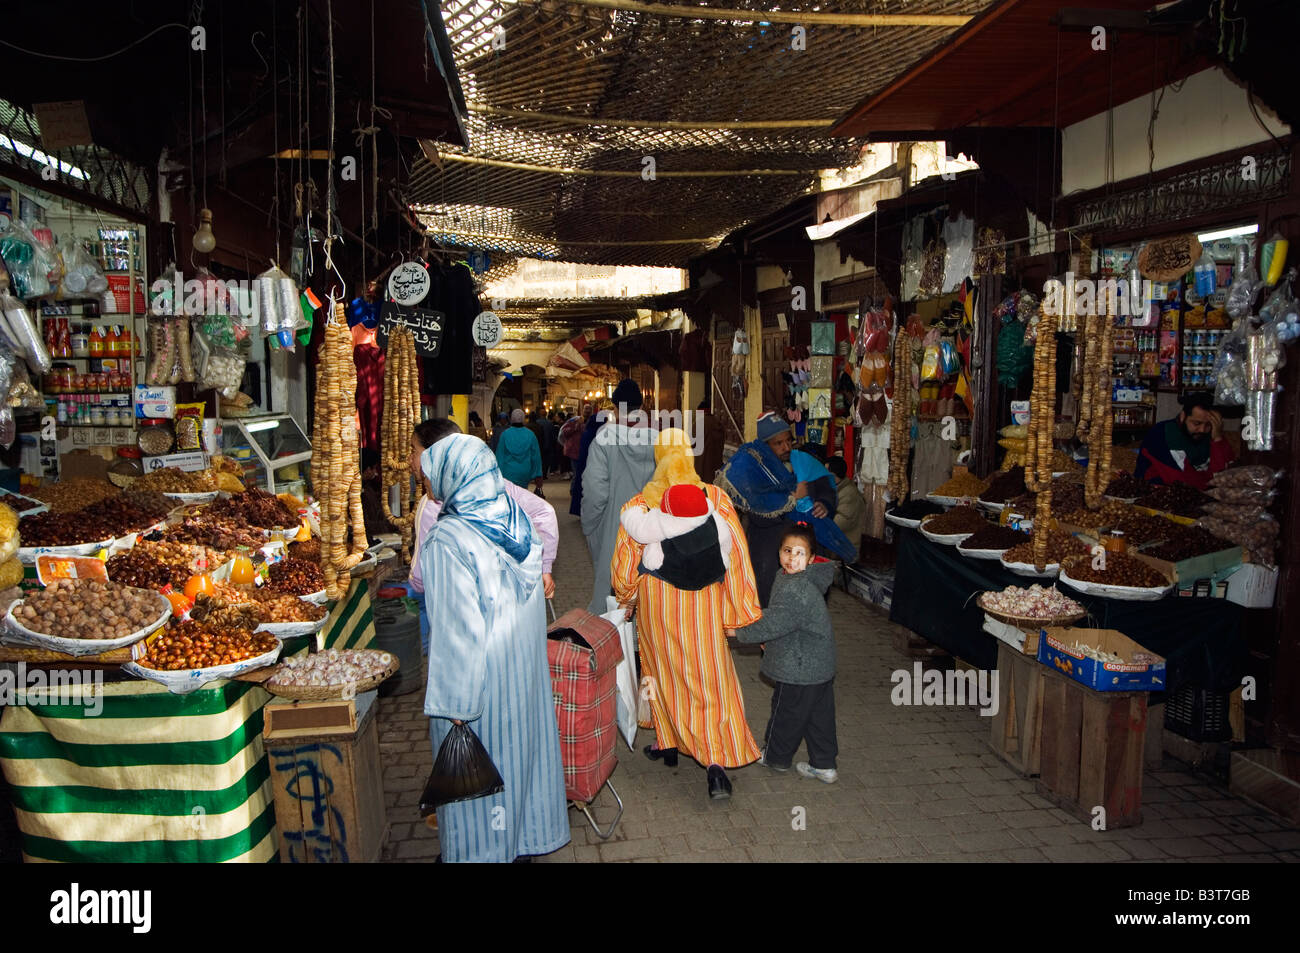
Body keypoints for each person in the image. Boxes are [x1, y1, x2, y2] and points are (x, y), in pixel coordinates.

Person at [416, 433, 569, 862]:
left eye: (431, 474)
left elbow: (458, 634)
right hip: (521, 679)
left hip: (479, 695)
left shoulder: (451, 540)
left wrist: (455, 711)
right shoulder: (514, 521)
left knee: (478, 800)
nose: (426, 483)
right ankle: (518, 846)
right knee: (518, 774)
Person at [611, 428, 763, 800]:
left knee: (661, 671)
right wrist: (737, 611)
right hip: (705, 604)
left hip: (658, 604)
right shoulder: (716, 498)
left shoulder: (641, 503)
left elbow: (626, 561)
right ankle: (712, 762)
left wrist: (627, 599)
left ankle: (669, 742)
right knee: (709, 677)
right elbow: (737, 556)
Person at [409, 420, 559, 627]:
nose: (410, 459)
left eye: (414, 451)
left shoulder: (433, 507)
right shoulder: (495, 486)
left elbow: (422, 578)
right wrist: (543, 566)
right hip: (506, 610)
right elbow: (545, 511)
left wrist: (414, 583)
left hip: (461, 617)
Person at [733, 523, 839, 783]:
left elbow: (776, 620)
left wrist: (738, 631)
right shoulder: (792, 577)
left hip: (800, 666)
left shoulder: (797, 588)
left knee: (786, 711)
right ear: (778, 552)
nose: (792, 558)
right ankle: (824, 764)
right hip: (818, 664)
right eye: (787, 550)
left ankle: (775, 757)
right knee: (818, 715)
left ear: (812, 558)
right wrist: (771, 637)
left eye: (800, 553)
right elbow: (786, 619)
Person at [716, 411, 855, 606]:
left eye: (788, 441)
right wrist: (791, 499)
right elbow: (758, 514)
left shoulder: (803, 461)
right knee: (770, 598)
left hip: (807, 543)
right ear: (765, 445)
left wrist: (825, 504)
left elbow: (826, 488)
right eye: (778, 443)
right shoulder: (755, 469)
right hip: (769, 546)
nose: (786, 447)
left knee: (807, 599)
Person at [581, 380, 656, 613]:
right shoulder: (661, 441)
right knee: (648, 591)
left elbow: (595, 493)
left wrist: (591, 529)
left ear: (614, 408)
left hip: (615, 530)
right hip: (653, 531)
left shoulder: (604, 441)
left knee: (612, 598)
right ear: (641, 406)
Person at [1135, 392, 1234, 489]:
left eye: (1208, 425)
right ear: (1183, 417)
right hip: (1160, 494)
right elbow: (1184, 483)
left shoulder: (1213, 434)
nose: (1202, 430)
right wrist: (1214, 478)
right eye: (1196, 423)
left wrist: (1218, 439)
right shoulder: (1162, 434)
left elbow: (1230, 474)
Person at [570, 399, 611, 517]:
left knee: (581, 487)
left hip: (583, 464)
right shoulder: (598, 435)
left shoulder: (588, 432)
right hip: (592, 466)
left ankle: (579, 510)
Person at [826, 456, 866, 563]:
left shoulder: (849, 495)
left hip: (844, 550)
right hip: (835, 545)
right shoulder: (836, 489)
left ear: (833, 476)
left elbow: (836, 526)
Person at [495, 408, 543, 489]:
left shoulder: (505, 435)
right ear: (523, 419)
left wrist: (497, 474)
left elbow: (500, 456)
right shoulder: (530, 435)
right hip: (524, 473)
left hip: (508, 473)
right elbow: (536, 457)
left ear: (511, 419)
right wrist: (538, 475)